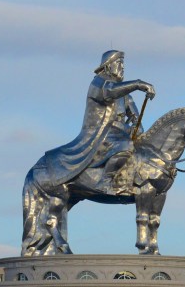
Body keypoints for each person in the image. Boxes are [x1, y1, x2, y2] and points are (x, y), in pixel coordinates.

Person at [41, 50, 155, 186]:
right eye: (119, 63)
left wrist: (138, 126)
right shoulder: (98, 84)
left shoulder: (125, 95)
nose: (122, 67)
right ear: (107, 66)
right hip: (101, 134)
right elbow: (111, 91)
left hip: (120, 133)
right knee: (125, 145)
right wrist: (138, 84)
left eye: (123, 64)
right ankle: (105, 181)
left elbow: (135, 116)